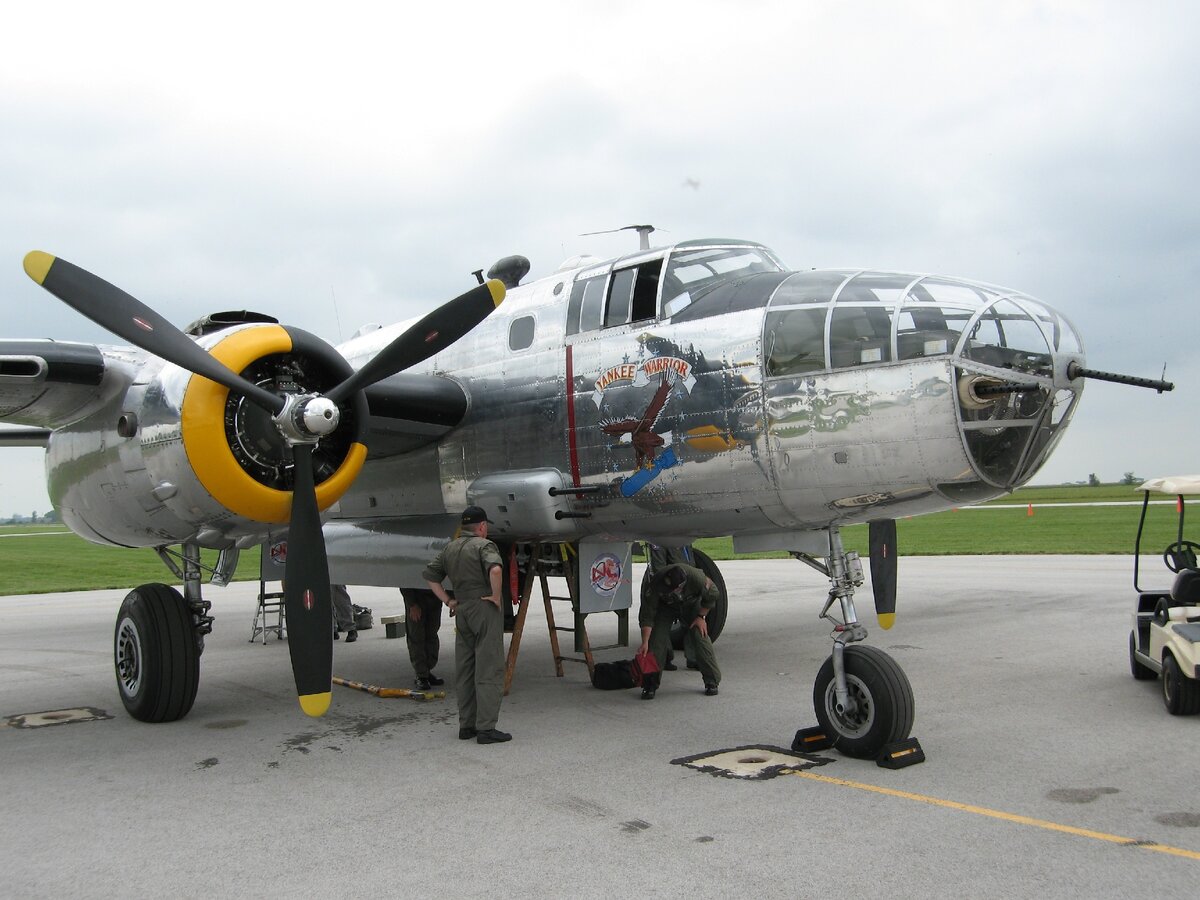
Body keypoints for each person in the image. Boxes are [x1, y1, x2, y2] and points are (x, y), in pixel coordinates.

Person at [422, 506, 510, 744]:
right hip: (483, 607)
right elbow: (496, 569)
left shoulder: (450, 548)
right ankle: (486, 729)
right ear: (482, 527)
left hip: (461, 608)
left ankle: (466, 726)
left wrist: (448, 600)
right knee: (489, 666)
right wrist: (495, 595)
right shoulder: (484, 546)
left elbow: (430, 576)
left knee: (466, 668)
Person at [637, 562, 721, 699]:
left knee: (700, 636)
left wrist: (701, 617)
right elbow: (647, 615)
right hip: (665, 608)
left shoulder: (696, 577)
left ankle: (712, 681)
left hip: (691, 604)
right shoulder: (655, 584)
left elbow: (713, 593)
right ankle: (649, 685)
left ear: (682, 585)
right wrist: (645, 642)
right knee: (655, 642)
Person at [401, 587, 445, 690]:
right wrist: (412, 603)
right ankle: (421, 675)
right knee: (416, 636)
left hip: (435, 596)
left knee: (431, 634)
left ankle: (427, 671)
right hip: (416, 597)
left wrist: (451, 599)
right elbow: (404, 580)